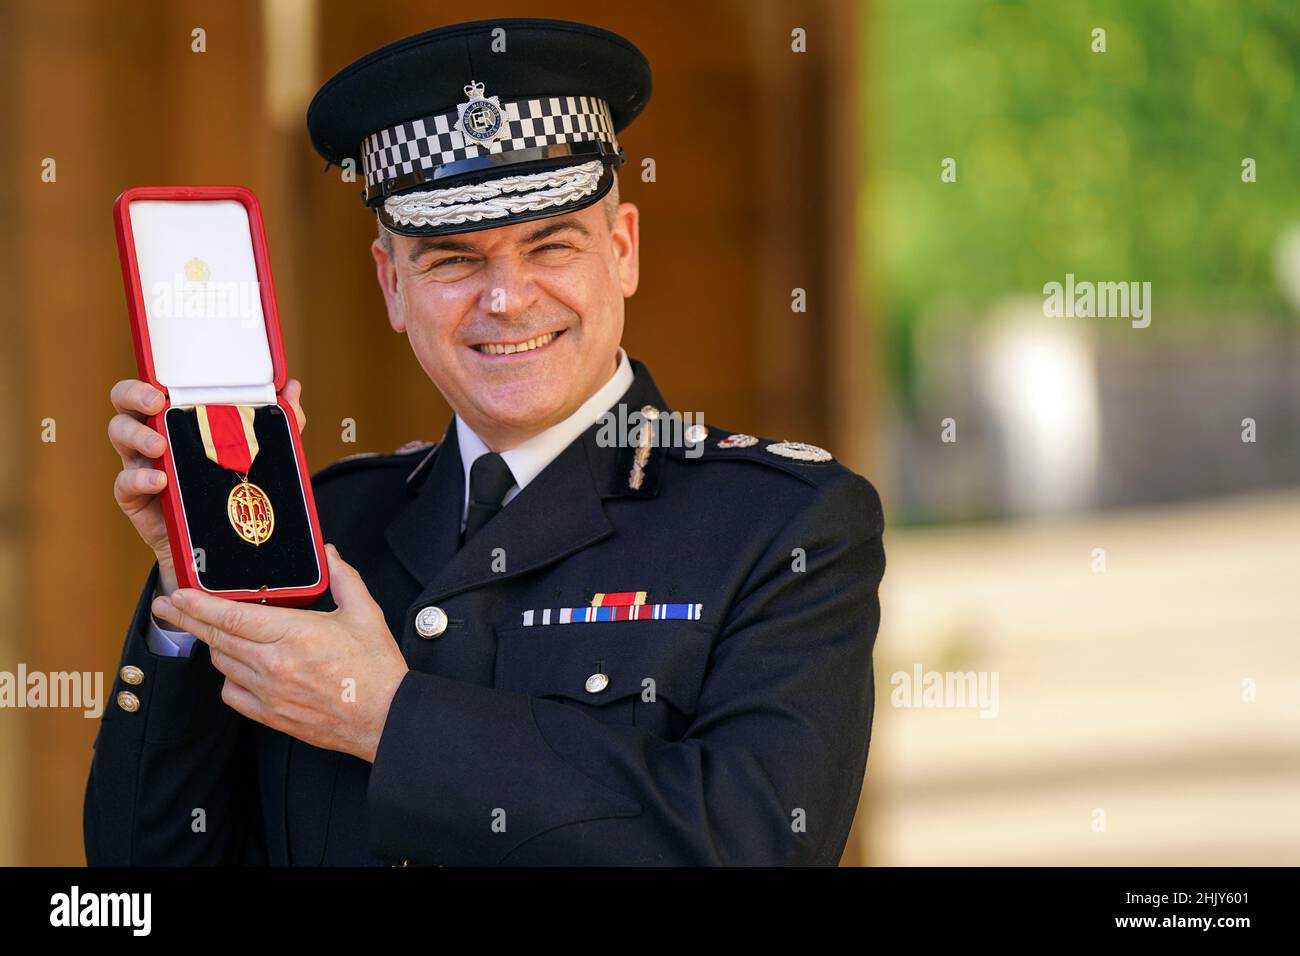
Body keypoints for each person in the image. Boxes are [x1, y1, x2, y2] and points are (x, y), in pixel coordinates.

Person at [84, 17, 886, 866]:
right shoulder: (317, 527)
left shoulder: (781, 525)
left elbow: (755, 844)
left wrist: (385, 717)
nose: (506, 299)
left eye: (552, 244)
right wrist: (192, 586)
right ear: (392, 286)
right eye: (450, 259)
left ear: (622, 252)